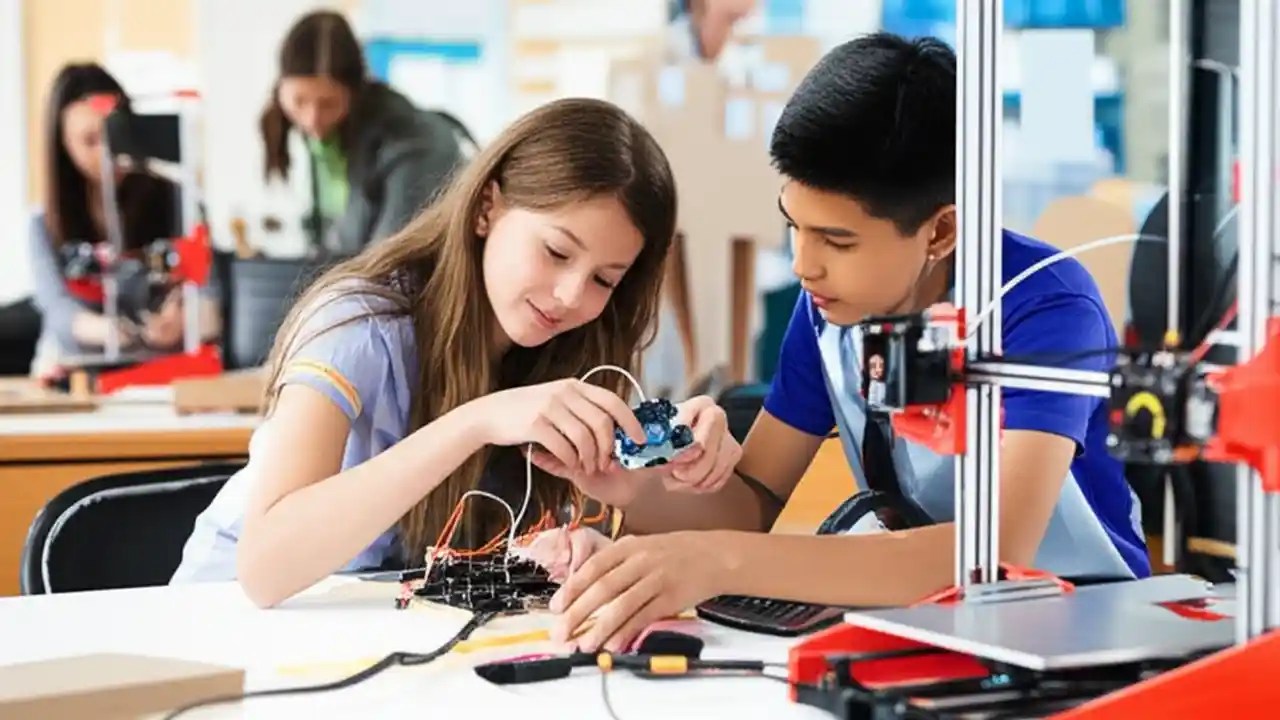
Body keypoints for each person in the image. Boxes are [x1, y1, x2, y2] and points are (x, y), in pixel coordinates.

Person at [536, 33, 1149, 653]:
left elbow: (994, 548)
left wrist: (719, 559)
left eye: (837, 240)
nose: (804, 265)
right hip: (932, 620)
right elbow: (753, 503)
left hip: (1081, 624)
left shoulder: (1043, 304)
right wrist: (633, 489)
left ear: (941, 231)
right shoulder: (828, 310)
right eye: (793, 226)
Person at [170, 97, 743, 608]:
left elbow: (724, 536)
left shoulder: (562, 351)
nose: (573, 296)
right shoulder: (360, 324)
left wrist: (640, 489)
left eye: (605, 280)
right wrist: (476, 422)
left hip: (375, 639)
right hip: (225, 632)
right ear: (486, 207)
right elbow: (265, 570)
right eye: (556, 252)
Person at [27, 63, 221, 375]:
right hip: (77, 374)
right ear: (63, 145)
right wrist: (117, 331)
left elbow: (211, 298)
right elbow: (58, 311)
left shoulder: (177, 201)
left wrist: (185, 319)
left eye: (115, 136)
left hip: (163, 374)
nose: (107, 154)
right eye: (89, 141)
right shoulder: (43, 224)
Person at [261, 10, 470, 256]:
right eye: (299, 101)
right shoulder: (321, 134)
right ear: (280, 89)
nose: (312, 118)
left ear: (354, 93)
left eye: (328, 104)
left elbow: (391, 265)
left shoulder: (414, 145)